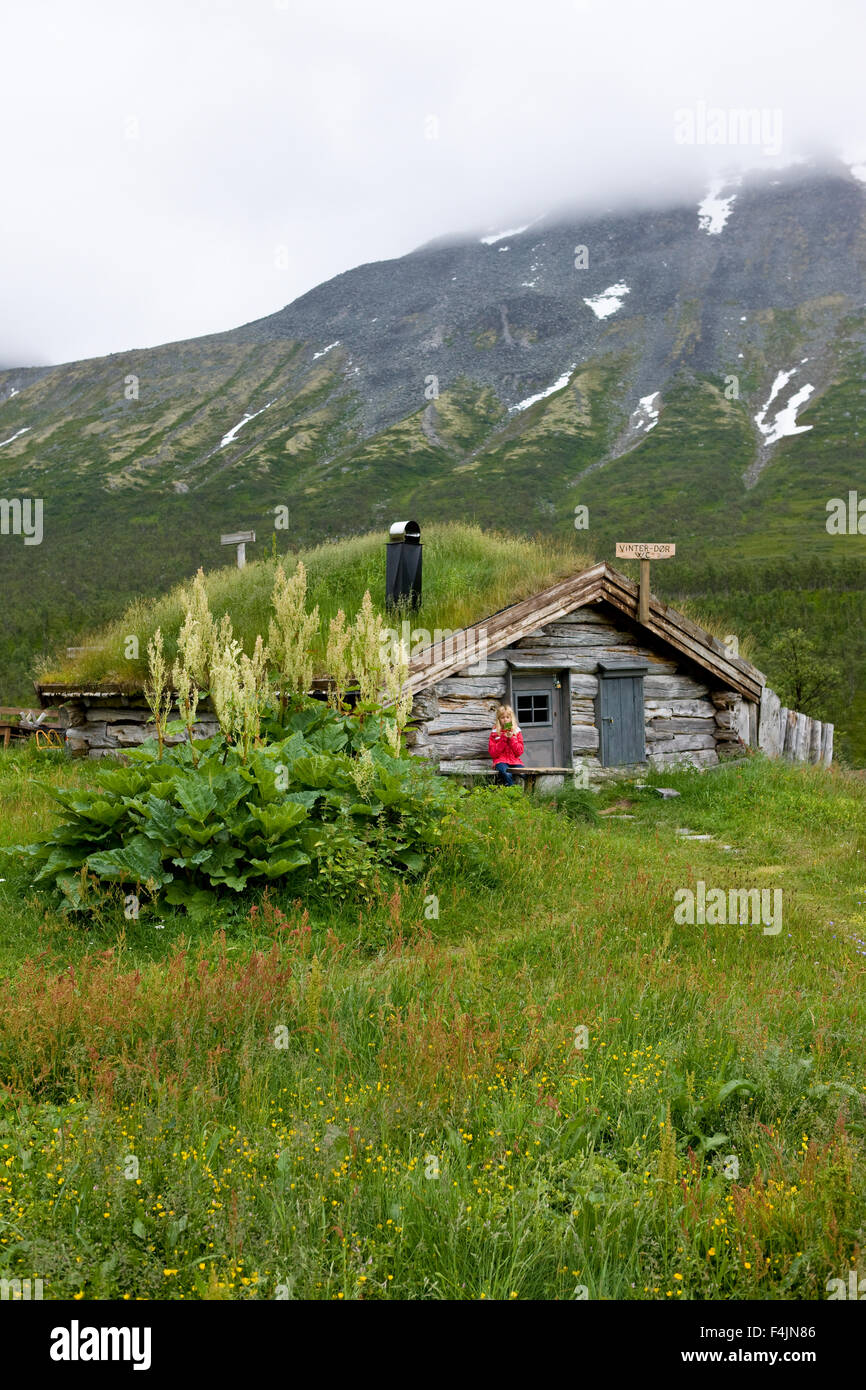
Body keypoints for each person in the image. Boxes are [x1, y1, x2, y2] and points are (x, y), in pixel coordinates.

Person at [488, 703, 525, 785]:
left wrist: (512, 738)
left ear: (511, 719)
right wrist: (503, 739)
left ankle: (529, 793)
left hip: (515, 761)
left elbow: (519, 752)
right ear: (499, 719)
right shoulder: (495, 732)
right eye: (502, 717)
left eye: (507, 717)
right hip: (500, 761)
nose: (505, 720)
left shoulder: (516, 731)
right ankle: (512, 793)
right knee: (507, 774)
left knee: (525, 774)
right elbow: (493, 753)